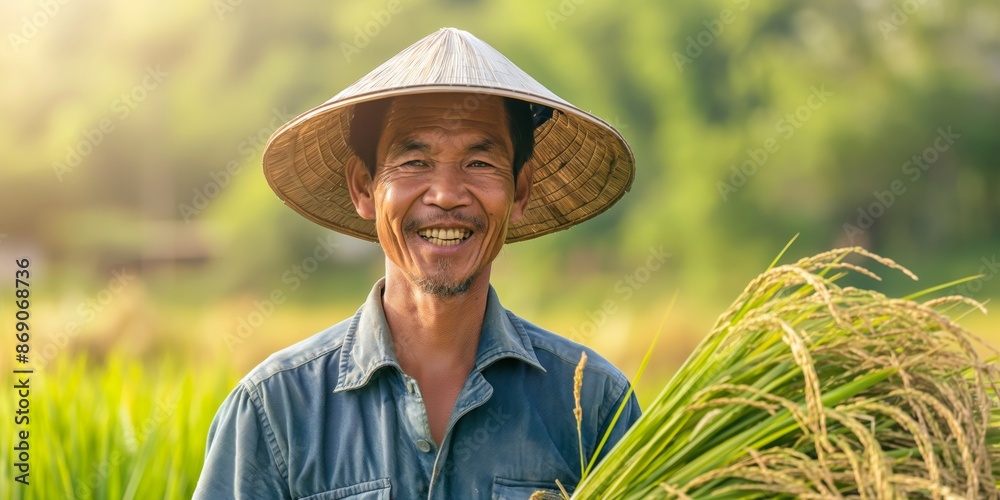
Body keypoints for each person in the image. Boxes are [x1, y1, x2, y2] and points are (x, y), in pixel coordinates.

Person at [194, 27, 639, 499]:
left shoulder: (593, 406)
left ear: (520, 191)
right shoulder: (274, 409)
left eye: (480, 163)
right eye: (414, 162)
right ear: (364, 187)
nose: (446, 195)